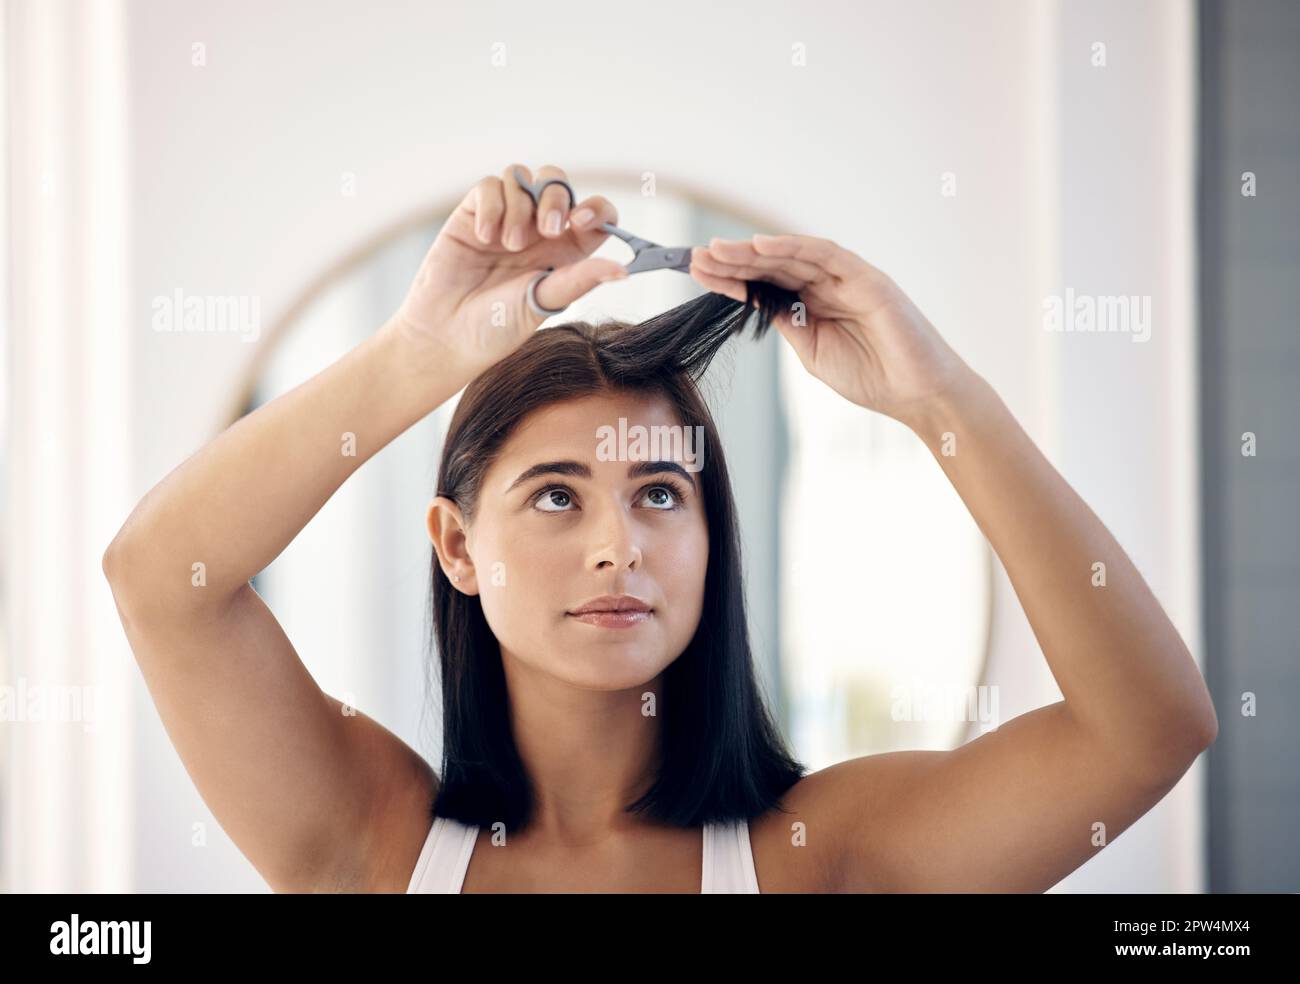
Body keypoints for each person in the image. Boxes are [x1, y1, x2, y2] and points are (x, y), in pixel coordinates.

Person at [103, 163, 1218, 893]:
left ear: (708, 538)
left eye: (659, 494)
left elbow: (1147, 731)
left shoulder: (819, 859)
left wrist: (941, 401)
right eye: (555, 495)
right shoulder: (375, 846)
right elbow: (160, 577)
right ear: (455, 546)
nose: (617, 547)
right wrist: (420, 357)